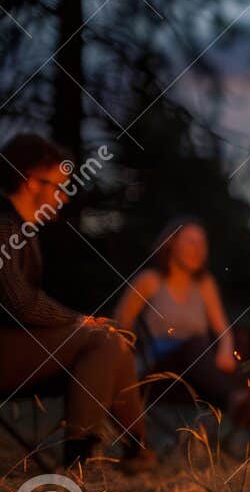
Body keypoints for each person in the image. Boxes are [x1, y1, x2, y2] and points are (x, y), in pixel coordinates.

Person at [0, 134, 152, 471]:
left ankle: (134, 450)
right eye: (56, 186)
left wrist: (83, 323)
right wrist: (78, 321)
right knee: (102, 338)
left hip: (15, 346)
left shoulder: (21, 229)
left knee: (113, 339)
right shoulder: (4, 225)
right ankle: (86, 460)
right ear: (29, 181)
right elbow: (19, 303)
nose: (61, 197)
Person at [114, 220, 250, 431]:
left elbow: (222, 328)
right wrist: (127, 361)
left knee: (237, 339)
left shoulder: (205, 284)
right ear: (171, 244)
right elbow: (120, 324)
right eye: (191, 242)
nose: (198, 249)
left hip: (199, 367)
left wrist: (226, 350)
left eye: (202, 243)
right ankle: (239, 399)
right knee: (196, 343)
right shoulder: (150, 280)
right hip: (161, 366)